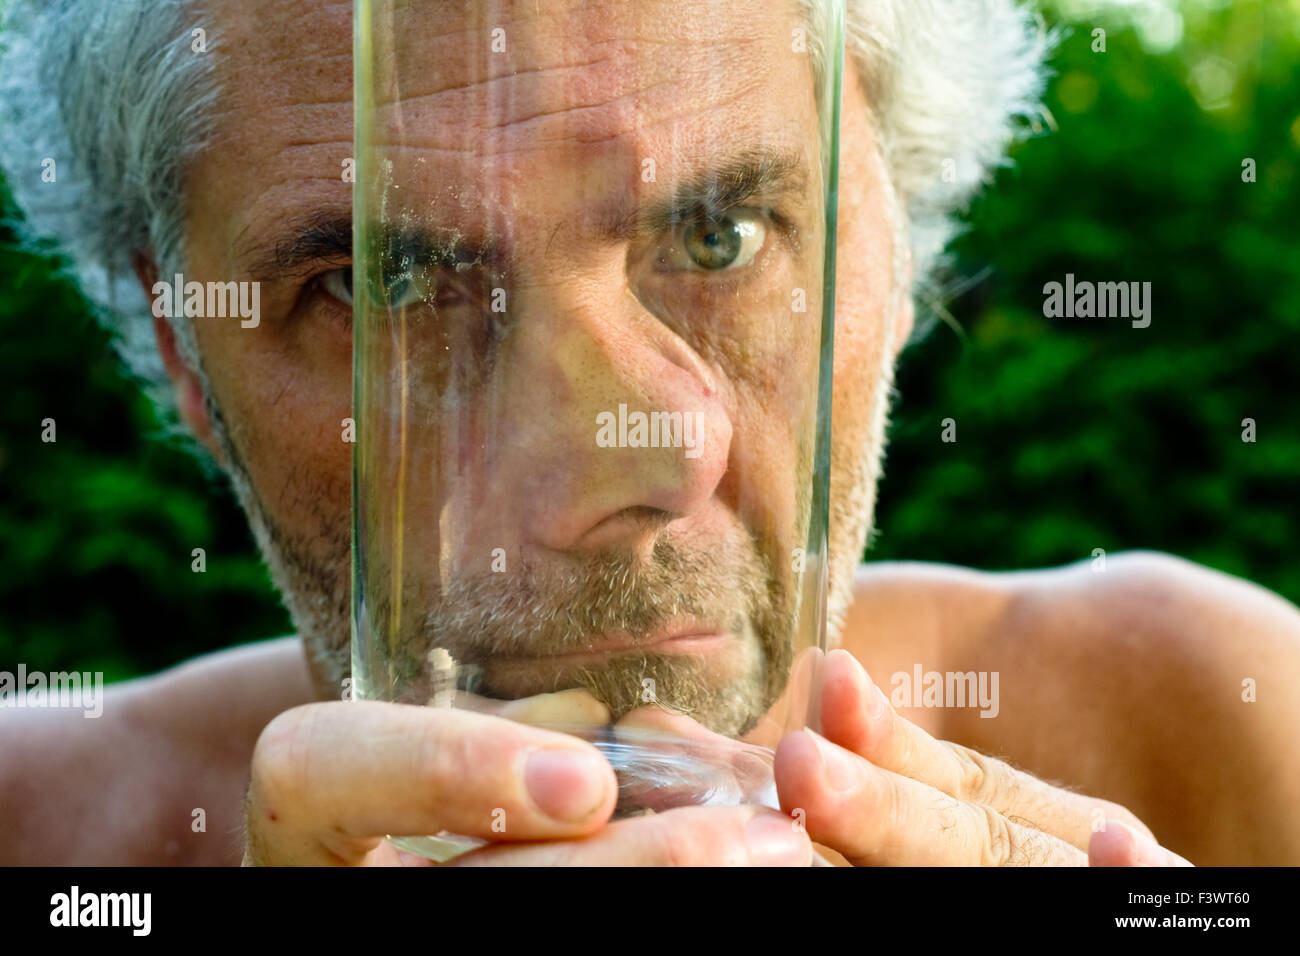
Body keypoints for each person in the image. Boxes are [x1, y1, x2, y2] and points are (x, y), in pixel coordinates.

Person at [1, 0, 1296, 867]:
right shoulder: (37, 826)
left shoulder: (1221, 730)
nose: (631, 458)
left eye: (717, 239)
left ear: (895, 248)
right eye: (385, 287)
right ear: (184, 345)